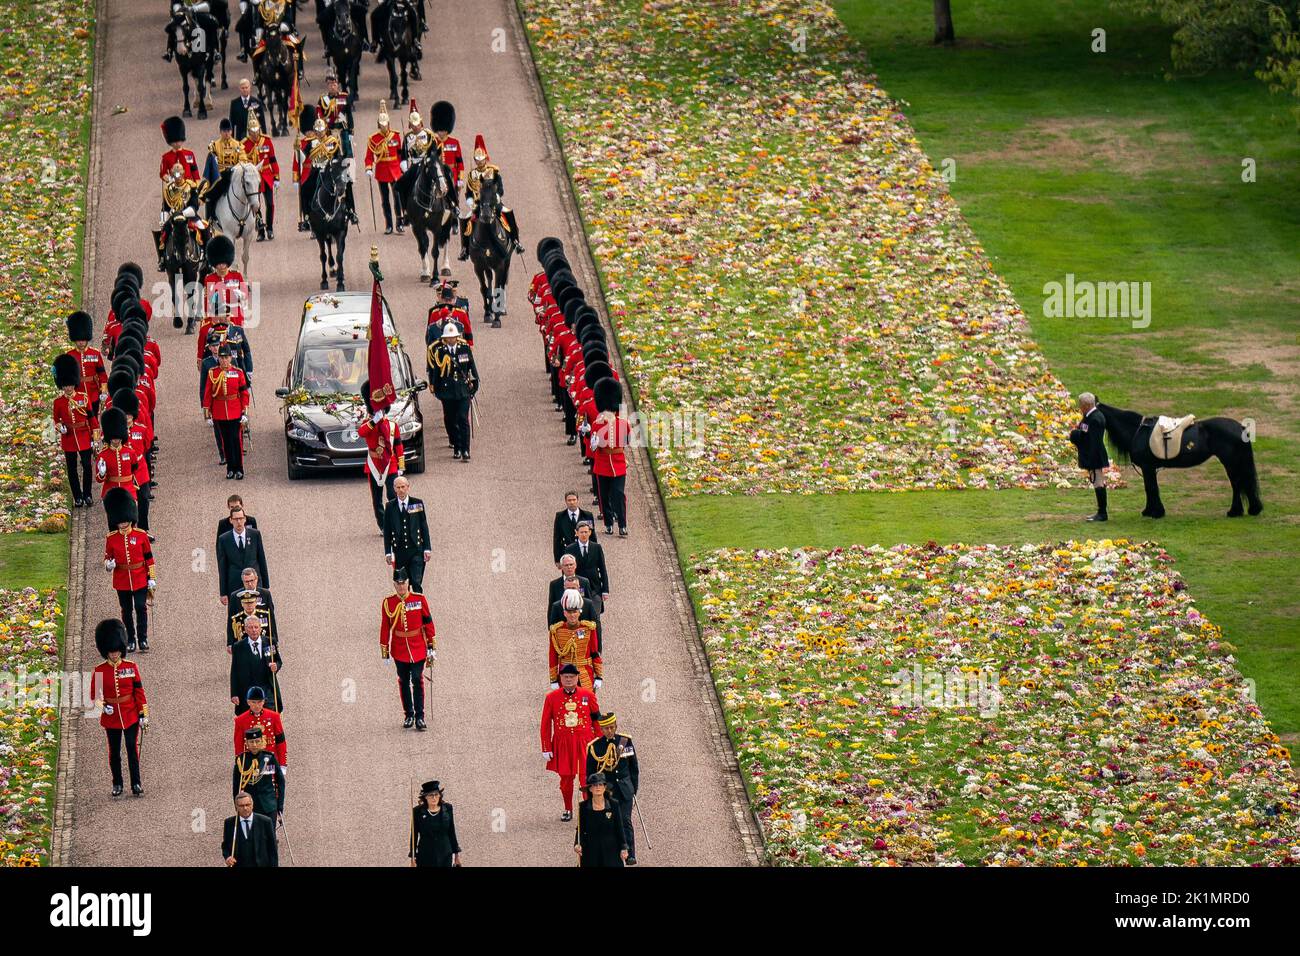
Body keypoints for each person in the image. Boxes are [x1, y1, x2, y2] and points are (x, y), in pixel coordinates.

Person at [89, 619, 148, 798]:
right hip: (112, 717)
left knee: (132, 749)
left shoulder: (131, 667)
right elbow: (94, 696)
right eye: (111, 653)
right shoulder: (99, 670)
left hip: (130, 713)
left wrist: (143, 714)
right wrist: (102, 707)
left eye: (116, 652)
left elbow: (138, 692)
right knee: (114, 753)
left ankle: (136, 783)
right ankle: (117, 783)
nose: (114, 655)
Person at [540, 663, 600, 821]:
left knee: (586, 778)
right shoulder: (551, 698)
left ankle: (589, 809)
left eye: (571, 677)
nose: (568, 680)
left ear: (577, 678)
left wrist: (600, 741)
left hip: (584, 743)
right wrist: (546, 747)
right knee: (566, 780)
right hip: (563, 745)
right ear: (560, 678)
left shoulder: (588, 695)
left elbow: (596, 719)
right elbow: (545, 724)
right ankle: (568, 808)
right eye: (565, 677)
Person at [379, 570, 435, 730]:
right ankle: (409, 715)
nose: (401, 587)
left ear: (408, 583)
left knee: (417, 678)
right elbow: (385, 627)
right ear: (394, 585)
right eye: (398, 584)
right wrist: (385, 649)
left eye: (403, 583)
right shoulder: (388, 603)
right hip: (399, 649)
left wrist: (431, 646)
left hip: (418, 647)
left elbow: (428, 622)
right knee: (403, 680)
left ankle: (420, 717)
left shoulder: (419, 599)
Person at [103, 487, 155, 652]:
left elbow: (149, 558)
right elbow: (107, 558)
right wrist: (109, 565)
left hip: (139, 577)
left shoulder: (141, 535)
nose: (124, 523)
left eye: (125, 520)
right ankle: (130, 639)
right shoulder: (111, 539)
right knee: (126, 611)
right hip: (122, 579)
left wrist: (151, 578)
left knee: (140, 607)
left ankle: (143, 639)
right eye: (121, 520)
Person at [585, 712, 639, 864]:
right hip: (607, 791)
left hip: (624, 789)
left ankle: (630, 853)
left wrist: (633, 789)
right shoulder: (595, 747)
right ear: (601, 729)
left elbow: (633, 768)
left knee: (625, 819)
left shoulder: (625, 742)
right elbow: (590, 773)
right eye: (606, 728)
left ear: (616, 726)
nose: (609, 731)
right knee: (609, 821)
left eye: (611, 727)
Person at [459, 133, 521, 261]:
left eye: (482, 159)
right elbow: (468, 193)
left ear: (485, 158)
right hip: (478, 204)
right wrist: (470, 202)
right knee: (465, 219)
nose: (480, 161)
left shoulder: (494, 172)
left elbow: (501, 188)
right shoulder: (472, 175)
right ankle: (465, 249)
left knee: (508, 214)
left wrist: (498, 195)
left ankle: (515, 241)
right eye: (477, 159)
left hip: (493, 202)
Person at [428, 324, 478, 461]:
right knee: (450, 420)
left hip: (462, 390)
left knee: (463, 418)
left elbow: (471, 367)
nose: (452, 340)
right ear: (445, 339)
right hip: (447, 391)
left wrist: (474, 385)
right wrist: (435, 388)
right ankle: (456, 447)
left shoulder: (464, 348)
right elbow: (437, 372)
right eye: (449, 338)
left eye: (453, 337)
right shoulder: (440, 351)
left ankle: (466, 450)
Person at [359, 380, 404, 530]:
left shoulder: (392, 425)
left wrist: (401, 466)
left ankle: (394, 521)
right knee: (376, 499)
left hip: (390, 464)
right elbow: (361, 432)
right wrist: (374, 421)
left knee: (392, 494)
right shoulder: (368, 423)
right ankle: (383, 525)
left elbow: (398, 446)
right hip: (374, 464)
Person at [52, 353, 95, 507]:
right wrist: (59, 427)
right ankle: (77, 496)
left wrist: (95, 434)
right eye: (65, 385)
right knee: (72, 469)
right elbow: (56, 420)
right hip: (69, 437)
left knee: (87, 466)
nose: (68, 388)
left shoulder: (83, 398)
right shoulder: (58, 402)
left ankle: (87, 494)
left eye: (70, 384)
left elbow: (91, 418)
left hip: (83, 435)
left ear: (74, 383)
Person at [203, 345, 251, 479]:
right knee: (226, 441)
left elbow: (244, 393)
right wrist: (207, 415)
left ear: (230, 358)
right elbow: (208, 394)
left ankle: (239, 468)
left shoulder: (238, 372)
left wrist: (244, 412)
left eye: (226, 357)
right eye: (221, 357)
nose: (224, 360)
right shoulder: (213, 373)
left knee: (236, 440)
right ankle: (230, 468)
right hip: (219, 412)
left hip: (235, 410)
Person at [590, 378, 629, 536]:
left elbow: (627, 442)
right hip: (602, 464)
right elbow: (593, 446)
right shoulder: (597, 424)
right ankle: (608, 524)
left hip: (619, 464)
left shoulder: (623, 423)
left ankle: (622, 524)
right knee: (604, 496)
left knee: (618, 495)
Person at [94, 407, 146, 520]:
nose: (116, 440)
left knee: (131, 520)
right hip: (110, 491)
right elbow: (99, 479)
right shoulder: (103, 455)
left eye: (118, 438)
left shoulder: (130, 452)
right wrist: (102, 473)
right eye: (113, 438)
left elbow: (134, 467)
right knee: (113, 522)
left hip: (128, 489)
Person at [383, 476, 431, 591]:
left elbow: (424, 526)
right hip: (399, 552)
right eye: (398, 487)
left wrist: (427, 548)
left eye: (403, 487)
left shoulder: (417, 503)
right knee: (402, 584)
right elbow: (387, 531)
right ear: (394, 489)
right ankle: (405, 608)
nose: (401, 490)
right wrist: (388, 552)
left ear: (408, 487)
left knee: (416, 582)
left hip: (416, 550)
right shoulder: (390, 507)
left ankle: (419, 608)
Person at [364, 99, 405, 234]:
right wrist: (368, 167)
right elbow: (369, 156)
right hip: (382, 170)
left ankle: (399, 221)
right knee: (385, 199)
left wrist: (402, 165)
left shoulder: (396, 136)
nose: (384, 127)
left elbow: (400, 153)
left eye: (385, 124)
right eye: (381, 124)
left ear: (388, 123)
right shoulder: (373, 139)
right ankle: (389, 224)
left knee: (397, 196)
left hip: (394, 169)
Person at [549, 591, 602, 692]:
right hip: (565, 676)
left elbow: (594, 653)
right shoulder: (556, 631)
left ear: (579, 612)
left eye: (575, 612)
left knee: (586, 704)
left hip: (585, 673)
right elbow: (553, 655)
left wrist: (599, 676)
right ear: (564, 613)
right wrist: (553, 679)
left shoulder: (589, 628)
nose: (572, 615)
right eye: (569, 612)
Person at [230, 615, 284, 714]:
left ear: (260, 628)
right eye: (250, 627)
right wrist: (234, 694)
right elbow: (234, 671)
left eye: (256, 627)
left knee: (269, 718)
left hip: (267, 690)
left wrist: (276, 666)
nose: (254, 630)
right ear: (245, 629)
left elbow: (278, 661)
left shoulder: (270, 642)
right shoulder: (238, 647)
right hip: (247, 691)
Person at [1069, 391, 1110, 522]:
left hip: (1095, 456)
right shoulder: (1091, 416)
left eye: (1080, 405)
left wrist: (1075, 435)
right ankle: (1101, 512)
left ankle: (1102, 513)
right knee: (1097, 482)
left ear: (1086, 405)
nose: (1079, 407)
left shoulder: (1095, 418)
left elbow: (1091, 440)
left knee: (1098, 483)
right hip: (1094, 455)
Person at [217, 509, 270, 605]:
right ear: (231, 520)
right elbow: (222, 567)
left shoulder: (255, 535)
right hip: (234, 586)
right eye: (236, 519)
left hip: (254, 584)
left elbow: (262, 560)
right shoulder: (224, 539)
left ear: (245, 519)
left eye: (241, 518)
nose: (239, 522)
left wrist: (266, 587)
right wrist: (223, 592)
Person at [573, 772, 627, 867]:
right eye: (594, 785)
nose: (598, 787)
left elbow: (619, 827)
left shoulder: (614, 804)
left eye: (600, 784)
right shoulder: (583, 807)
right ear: (590, 789)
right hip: (591, 850)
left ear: (605, 787)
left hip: (611, 850)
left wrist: (623, 847)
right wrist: (577, 844)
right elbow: (580, 829)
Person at [232, 726, 285, 821]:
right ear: (246, 743)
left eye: (257, 741)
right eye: (251, 742)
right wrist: (238, 807)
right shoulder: (242, 760)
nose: (255, 745)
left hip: (269, 806)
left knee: (270, 835)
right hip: (249, 808)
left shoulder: (269, 758)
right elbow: (236, 786)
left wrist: (279, 806)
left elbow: (280, 782)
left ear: (262, 741)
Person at [203, 118, 250, 221]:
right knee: (210, 194)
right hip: (220, 176)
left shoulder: (238, 145)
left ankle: (257, 217)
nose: (226, 133)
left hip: (235, 174)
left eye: (228, 131)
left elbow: (243, 160)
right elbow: (212, 162)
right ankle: (210, 218)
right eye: (224, 131)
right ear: (220, 132)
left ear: (231, 131)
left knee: (251, 190)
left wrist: (234, 169)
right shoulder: (215, 146)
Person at [242, 114, 280, 241]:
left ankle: (270, 228)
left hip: (267, 175)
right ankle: (260, 230)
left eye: (256, 130)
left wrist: (276, 177)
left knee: (270, 204)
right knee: (255, 205)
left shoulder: (266, 140)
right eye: (252, 132)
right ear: (249, 131)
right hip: (254, 177)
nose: (255, 134)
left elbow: (273, 159)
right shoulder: (245, 144)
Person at [65, 309, 108, 417]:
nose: (81, 342)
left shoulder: (95, 354)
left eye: (83, 340)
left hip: (93, 395)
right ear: (74, 339)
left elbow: (102, 375)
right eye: (78, 340)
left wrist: (103, 392)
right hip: (77, 396)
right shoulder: (70, 356)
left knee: (94, 423)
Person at [409, 780, 461, 867]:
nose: (434, 798)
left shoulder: (447, 808)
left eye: (436, 794)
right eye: (431, 795)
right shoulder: (417, 811)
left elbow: (452, 832)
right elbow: (414, 835)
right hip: (425, 854)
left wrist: (456, 855)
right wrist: (412, 857)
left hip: (445, 853)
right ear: (425, 797)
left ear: (440, 795)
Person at [202, 234, 251, 325]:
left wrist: (239, 294)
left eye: (223, 263)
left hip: (235, 318)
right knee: (204, 335)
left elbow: (245, 296)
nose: (221, 266)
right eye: (218, 263)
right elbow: (207, 302)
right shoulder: (209, 279)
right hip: (216, 320)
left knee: (242, 339)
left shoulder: (236, 276)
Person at [222, 791, 279, 867]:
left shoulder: (265, 822)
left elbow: (272, 848)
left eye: (247, 805)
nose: (245, 808)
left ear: (252, 805)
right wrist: (227, 857)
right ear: (236, 807)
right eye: (241, 806)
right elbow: (225, 845)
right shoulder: (229, 823)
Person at [234, 685, 287, 765]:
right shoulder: (240, 720)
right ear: (248, 702)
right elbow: (239, 746)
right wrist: (241, 765)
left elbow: (281, 742)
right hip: (251, 764)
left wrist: (282, 764)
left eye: (259, 702)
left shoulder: (274, 717)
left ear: (264, 701)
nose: (257, 706)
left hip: (271, 762)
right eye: (253, 702)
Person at [564, 521, 609, 611]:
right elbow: (566, 570)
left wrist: (605, 590)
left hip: (595, 589)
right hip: (579, 588)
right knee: (582, 614)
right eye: (581, 532)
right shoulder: (570, 549)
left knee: (595, 617)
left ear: (590, 532)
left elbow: (603, 569)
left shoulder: (596, 547)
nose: (584, 534)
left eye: (586, 532)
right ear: (576, 533)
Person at [552, 491, 596, 564]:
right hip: (567, 555)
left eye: (574, 500)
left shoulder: (587, 516)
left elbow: (592, 536)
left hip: (584, 553)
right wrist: (557, 559)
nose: (572, 502)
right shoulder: (560, 517)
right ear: (565, 501)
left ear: (577, 500)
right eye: (569, 500)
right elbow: (557, 539)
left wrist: (594, 555)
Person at [229, 587, 278, 651]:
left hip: (263, 648)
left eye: (251, 602)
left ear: (255, 603)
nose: (249, 605)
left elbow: (271, 632)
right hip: (244, 650)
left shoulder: (265, 615)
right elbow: (235, 638)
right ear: (242, 604)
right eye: (246, 603)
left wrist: (274, 645)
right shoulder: (236, 619)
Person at [159, 115, 201, 182]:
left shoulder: (189, 154)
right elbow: (163, 173)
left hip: (188, 185)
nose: (176, 143)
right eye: (174, 141)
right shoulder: (166, 157)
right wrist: (170, 180)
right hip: (174, 186)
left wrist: (197, 183)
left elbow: (194, 169)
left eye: (178, 140)